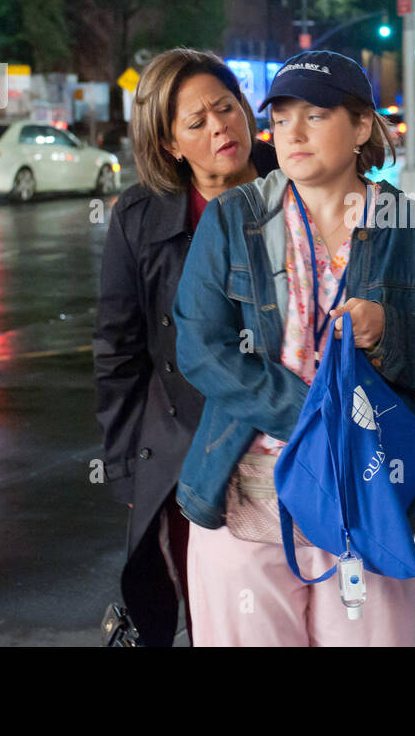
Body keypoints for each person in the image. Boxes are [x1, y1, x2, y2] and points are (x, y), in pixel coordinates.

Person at [173, 50, 415, 647]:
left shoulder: (412, 227)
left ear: (361, 126)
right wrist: (315, 416)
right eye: (281, 119)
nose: (293, 134)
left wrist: (386, 329)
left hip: (367, 495)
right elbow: (200, 349)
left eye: (316, 115)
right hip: (245, 498)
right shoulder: (234, 219)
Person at [93, 48, 278, 646]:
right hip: (192, 459)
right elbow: (119, 354)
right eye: (196, 122)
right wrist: (131, 475)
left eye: (226, 108)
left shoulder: (302, 183)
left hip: (293, 444)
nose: (220, 127)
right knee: (212, 617)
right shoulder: (139, 218)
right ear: (170, 144)